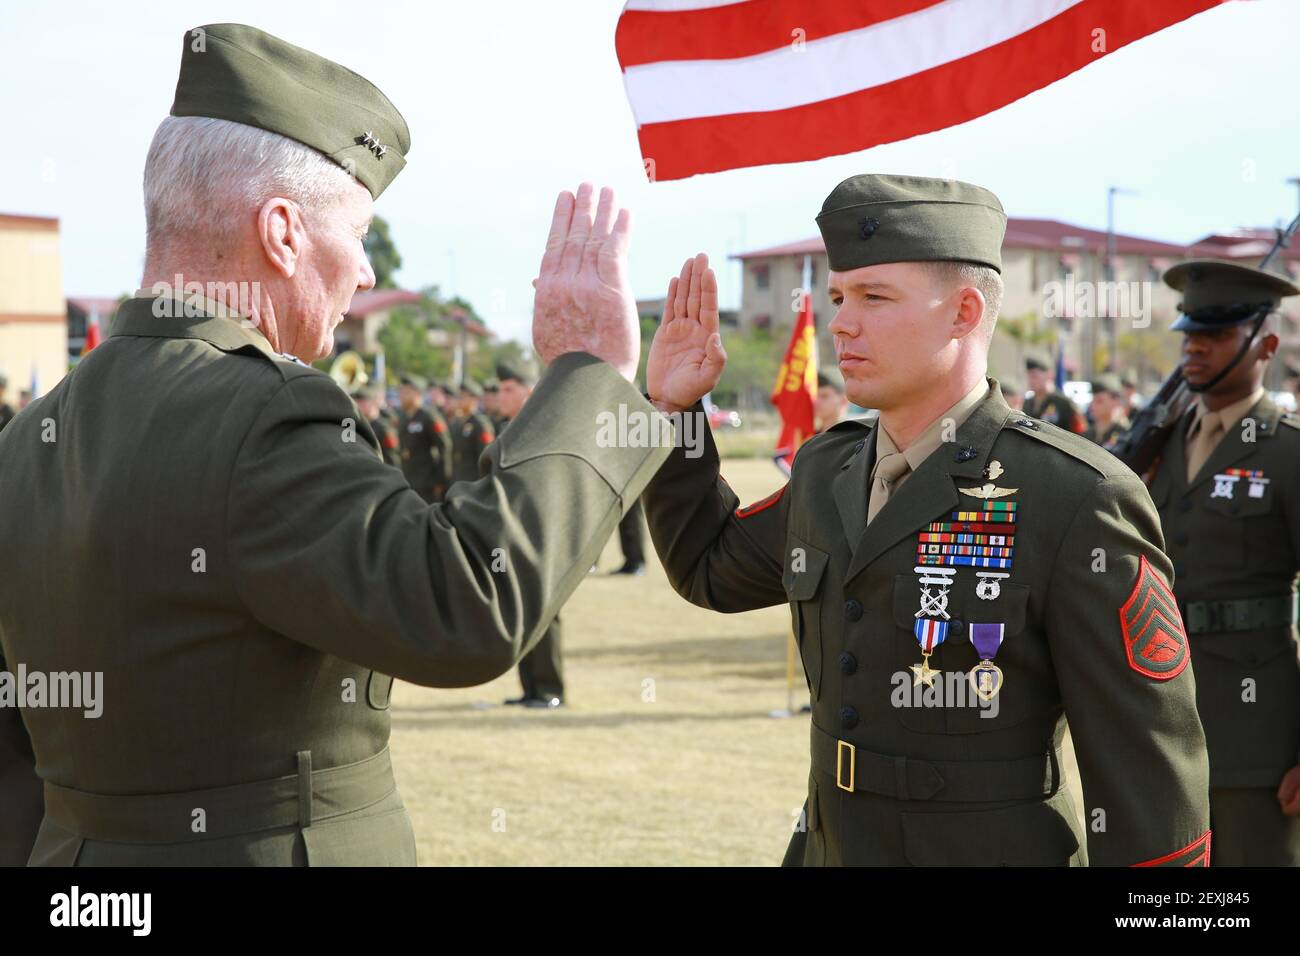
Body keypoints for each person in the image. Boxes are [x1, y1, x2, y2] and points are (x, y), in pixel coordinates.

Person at [0, 23, 666, 866]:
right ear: (281, 233)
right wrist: (589, 374)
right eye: (353, 236)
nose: (362, 274)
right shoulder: (261, 415)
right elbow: (463, 604)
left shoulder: (30, 436)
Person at [641, 174, 1210, 866]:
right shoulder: (829, 469)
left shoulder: (1073, 495)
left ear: (965, 312)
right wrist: (676, 415)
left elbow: (1148, 774)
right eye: (839, 298)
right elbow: (709, 567)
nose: (843, 322)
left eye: (875, 298)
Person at [1144, 259, 1300, 866]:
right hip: (1157, 714)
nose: (1195, 346)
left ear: (1265, 346)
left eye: (1216, 333)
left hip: (1256, 728)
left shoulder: (1286, 452)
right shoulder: (1160, 444)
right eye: (1189, 332)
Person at [495, 364, 565, 707]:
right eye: (500, 389)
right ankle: (530, 689)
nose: (500, 396)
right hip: (510, 531)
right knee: (518, 609)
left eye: (509, 389)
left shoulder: (544, 426)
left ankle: (550, 691)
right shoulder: (506, 428)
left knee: (544, 610)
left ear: (527, 391)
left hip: (541, 532)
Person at [396, 374, 452, 502]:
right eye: (401, 392)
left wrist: (441, 480)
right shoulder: (404, 418)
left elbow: (444, 447)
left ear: (417, 394)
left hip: (427, 483)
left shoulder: (429, 416)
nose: (401, 396)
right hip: (409, 480)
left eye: (406, 393)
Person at [1023, 353, 1085, 433]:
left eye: (1034, 376)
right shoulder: (1028, 403)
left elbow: (1079, 435)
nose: (1031, 381)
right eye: (1028, 376)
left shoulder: (1064, 404)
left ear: (1049, 375)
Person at [450, 379, 496, 485]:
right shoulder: (458, 422)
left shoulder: (480, 423)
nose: (460, 400)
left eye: (463, 397)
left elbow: (486, 457)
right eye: (459, 396)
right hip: (459, 479)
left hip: (474, 481)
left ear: (473, 399)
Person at [356, 383, 401, 468]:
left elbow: (393, 459)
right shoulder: (357, 426)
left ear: (373, 402)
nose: (358, 404)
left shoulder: (384, 428)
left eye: (363, 401)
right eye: (357, 401)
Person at [1085, 374, 1130, 450]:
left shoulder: (1125, 435)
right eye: (1093, 400)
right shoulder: (1086, 436)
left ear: (1116, 401)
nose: (1093, 405)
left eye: (1099, 401)